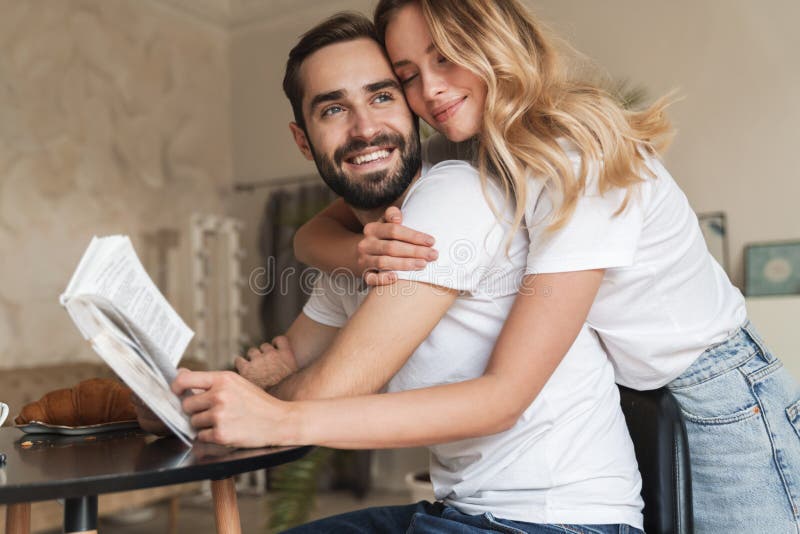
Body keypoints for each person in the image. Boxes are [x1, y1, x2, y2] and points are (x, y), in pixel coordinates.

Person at [291, 1, 800, 533]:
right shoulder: (462, 150)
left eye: (446, 58)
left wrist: (289, 417)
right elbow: (313, 232)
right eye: (409, 76)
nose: (431, 90)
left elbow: (505, 394)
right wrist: (359, 251)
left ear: (494, 42)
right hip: (646, 395)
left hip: (725, 396)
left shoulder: (575, 157)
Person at [169, 12, 645, 533]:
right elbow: (287, 360)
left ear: (412, 111)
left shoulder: (453, 196)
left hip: (554, 522)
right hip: (467, 512)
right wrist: (176, 402)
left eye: (381, 97)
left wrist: (230, 407)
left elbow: (322, 390)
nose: (364, 128)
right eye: (333, 109)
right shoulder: (362, 249)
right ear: (303, 140)